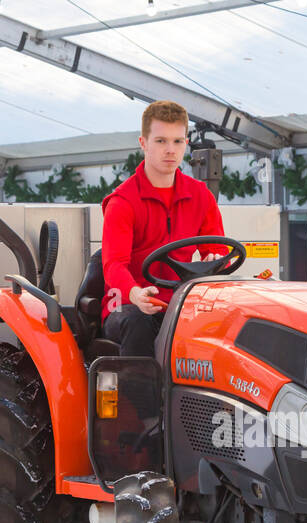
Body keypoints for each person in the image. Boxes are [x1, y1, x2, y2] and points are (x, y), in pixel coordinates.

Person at [101, 100, 227, 356]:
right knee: (139, 322)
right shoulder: (123, 202)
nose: (170, 150)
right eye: (161, 141)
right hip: (127, 304)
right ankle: (138, 396)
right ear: (143, 143)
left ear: (186, 144)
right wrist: (135, 294)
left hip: (180, 304)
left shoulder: (201, 196)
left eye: (177, 141)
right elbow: (114, 265)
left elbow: (216, 250)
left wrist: (216, 260)